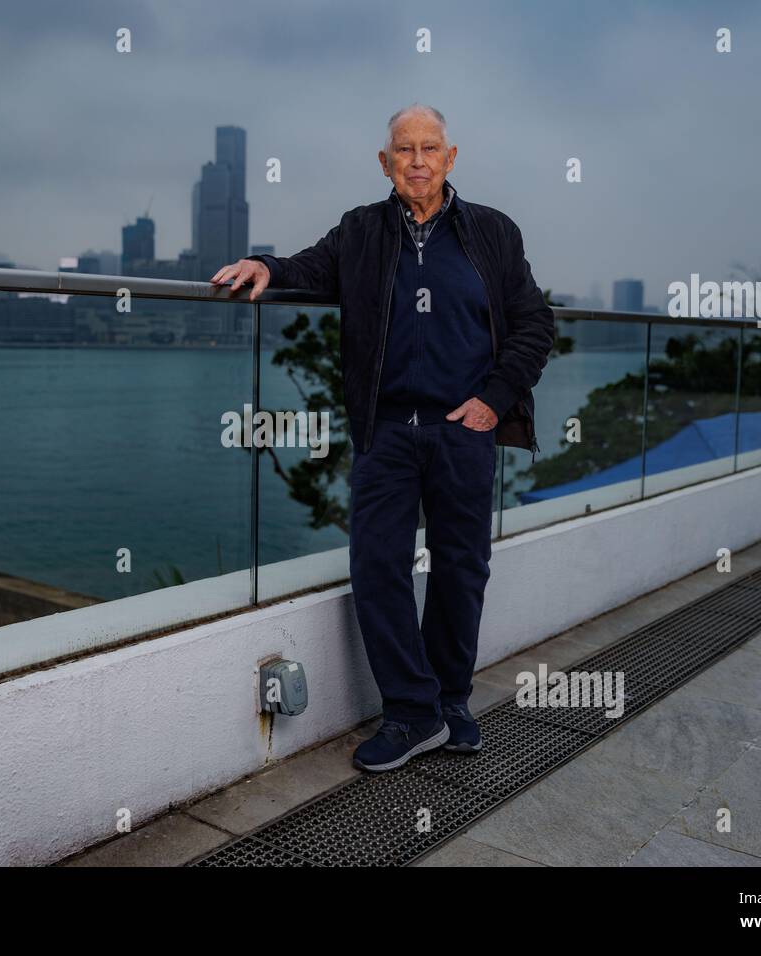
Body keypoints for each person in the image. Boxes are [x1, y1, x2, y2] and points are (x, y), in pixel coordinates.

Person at [210, 104, 554, 772]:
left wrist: (491, 400)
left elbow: (534, 324)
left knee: (461, 567)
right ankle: (411, 710)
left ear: (451, 158)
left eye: (430, 148)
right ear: (385, 162)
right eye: (404, 150)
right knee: (377, 565)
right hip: (388, 429)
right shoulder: (361, 231)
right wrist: (263, 264)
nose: (417, 160)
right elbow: (308, 268)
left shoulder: (493, 233)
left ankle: (451, 699)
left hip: (463, 430)